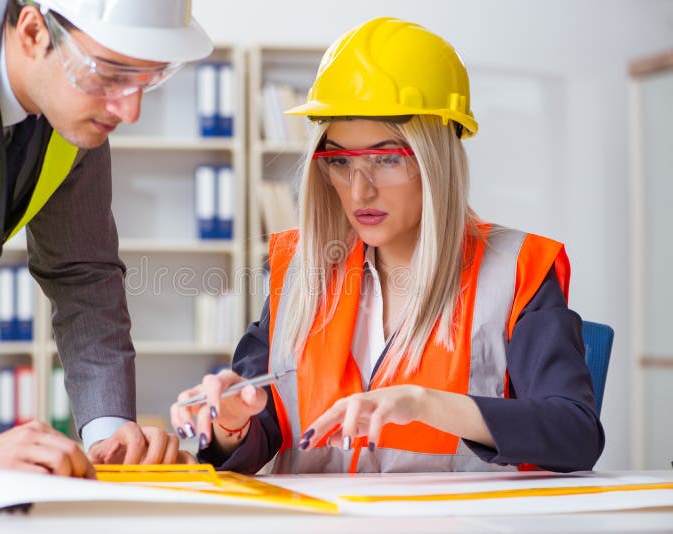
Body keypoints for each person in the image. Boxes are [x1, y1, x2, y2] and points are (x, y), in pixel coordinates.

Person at [171, 17, 605, 474]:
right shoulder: (297, 271)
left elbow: (575, 433)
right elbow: (261, 429)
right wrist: (231, 426)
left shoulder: (519, 269)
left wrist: (424, 402)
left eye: (386, 158)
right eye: (339, 161)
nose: (359, 191)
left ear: (436, 159)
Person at [0, 0, 212, 478]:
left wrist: (109, 435)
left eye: (146, 79)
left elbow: (84, 277)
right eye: (110, 73)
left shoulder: (72, 117)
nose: (129, 110)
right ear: (33, 31)